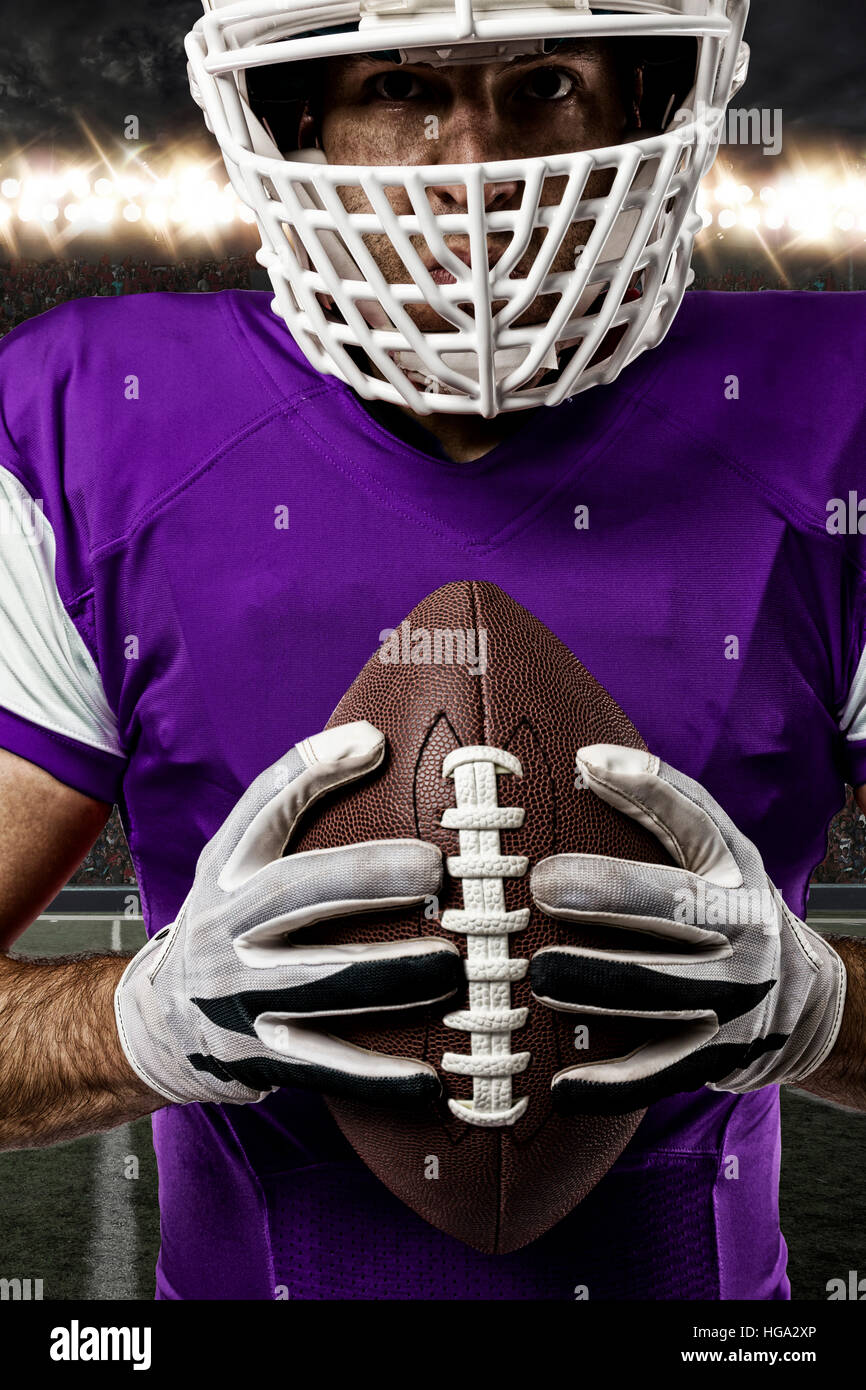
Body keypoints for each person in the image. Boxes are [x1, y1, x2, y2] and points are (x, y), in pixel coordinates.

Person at [0, 0, 863, 1301]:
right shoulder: (91, 425)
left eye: (542, 85)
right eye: (402, 85)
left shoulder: (836, 415)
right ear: (299, 124)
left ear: (647, 102)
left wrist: (819, 1005)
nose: (473, 166)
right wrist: (138, 1022)